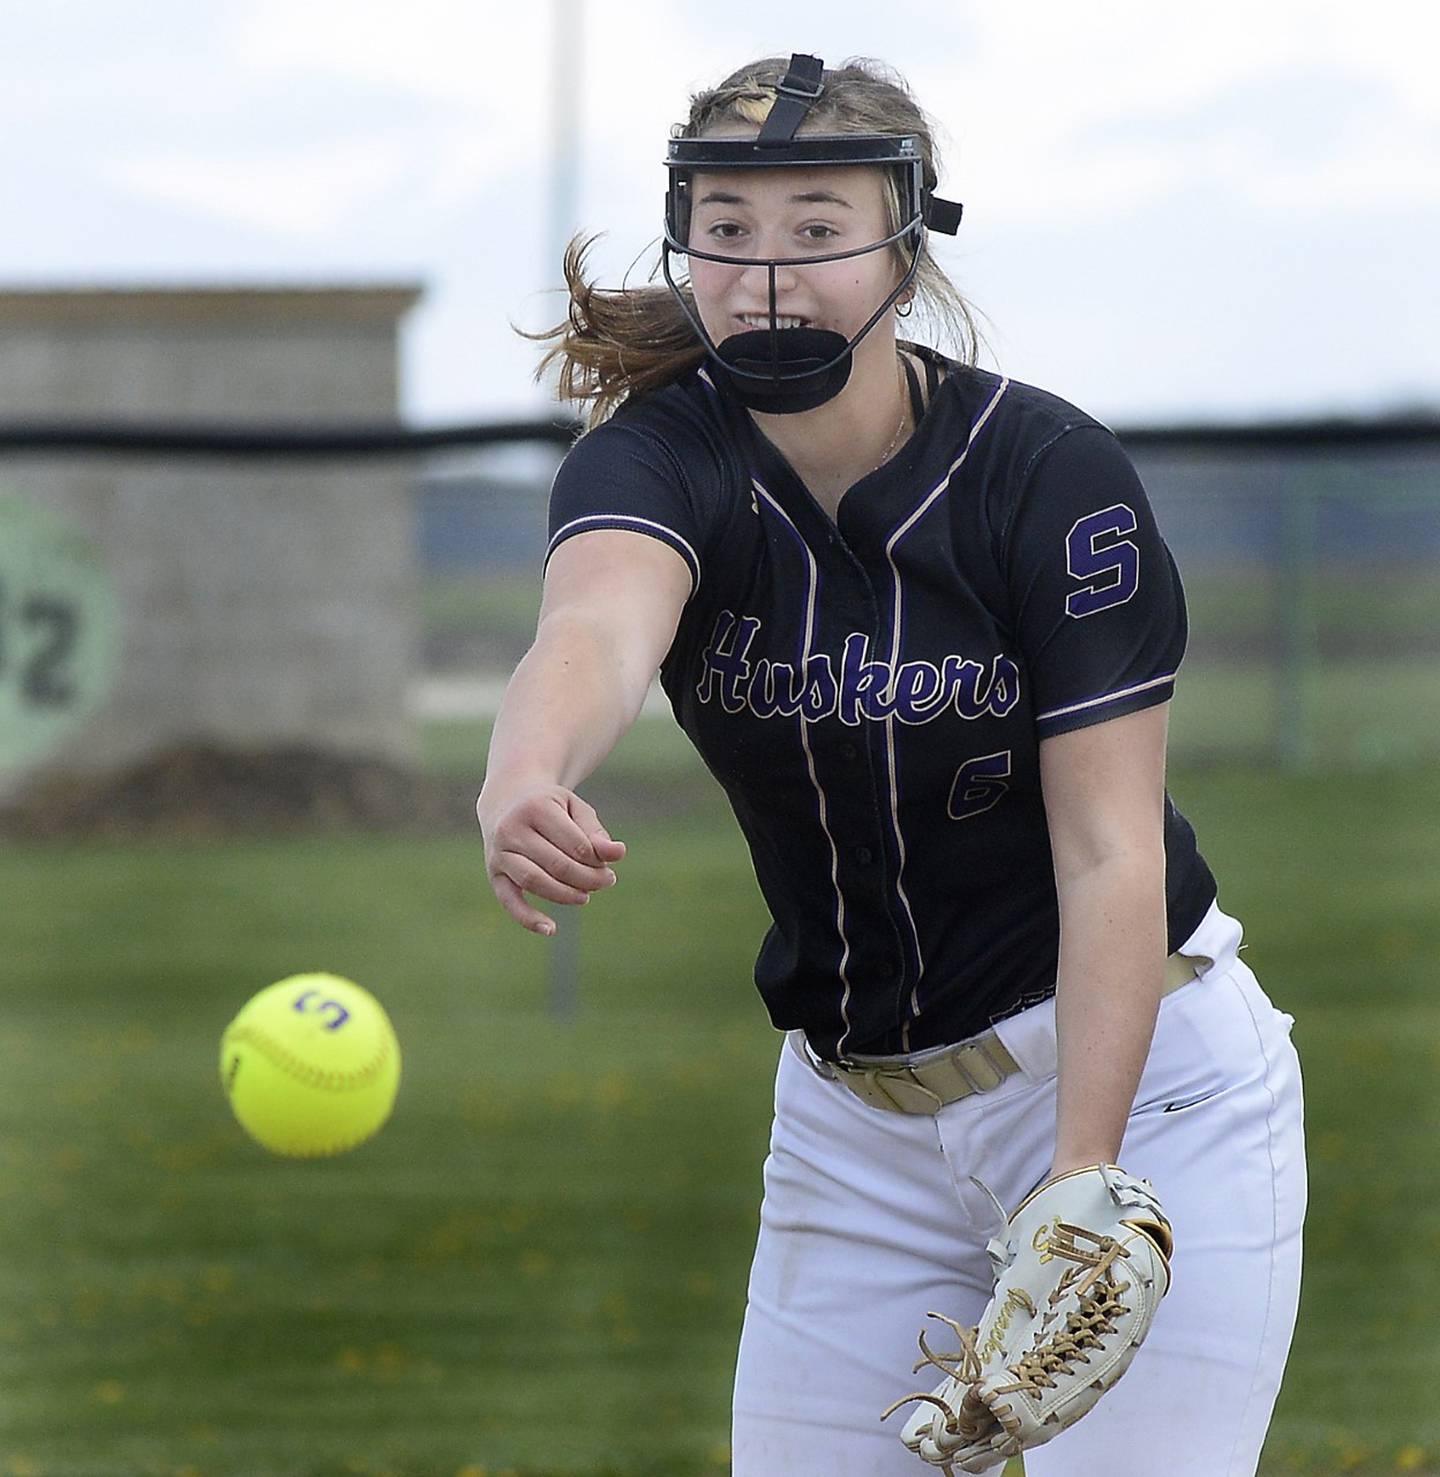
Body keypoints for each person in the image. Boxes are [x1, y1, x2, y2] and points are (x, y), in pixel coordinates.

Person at [477, 52, 1306, 1476]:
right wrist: (524, 770)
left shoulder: (1045, 474)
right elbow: (596, 629)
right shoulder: (659, 458)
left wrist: (1085, 1178)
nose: (769, 274)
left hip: (1143, 1090)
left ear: (905, 250)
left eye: (818, 227)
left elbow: (1109, 851)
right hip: (852, 1127)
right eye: (728, 228)